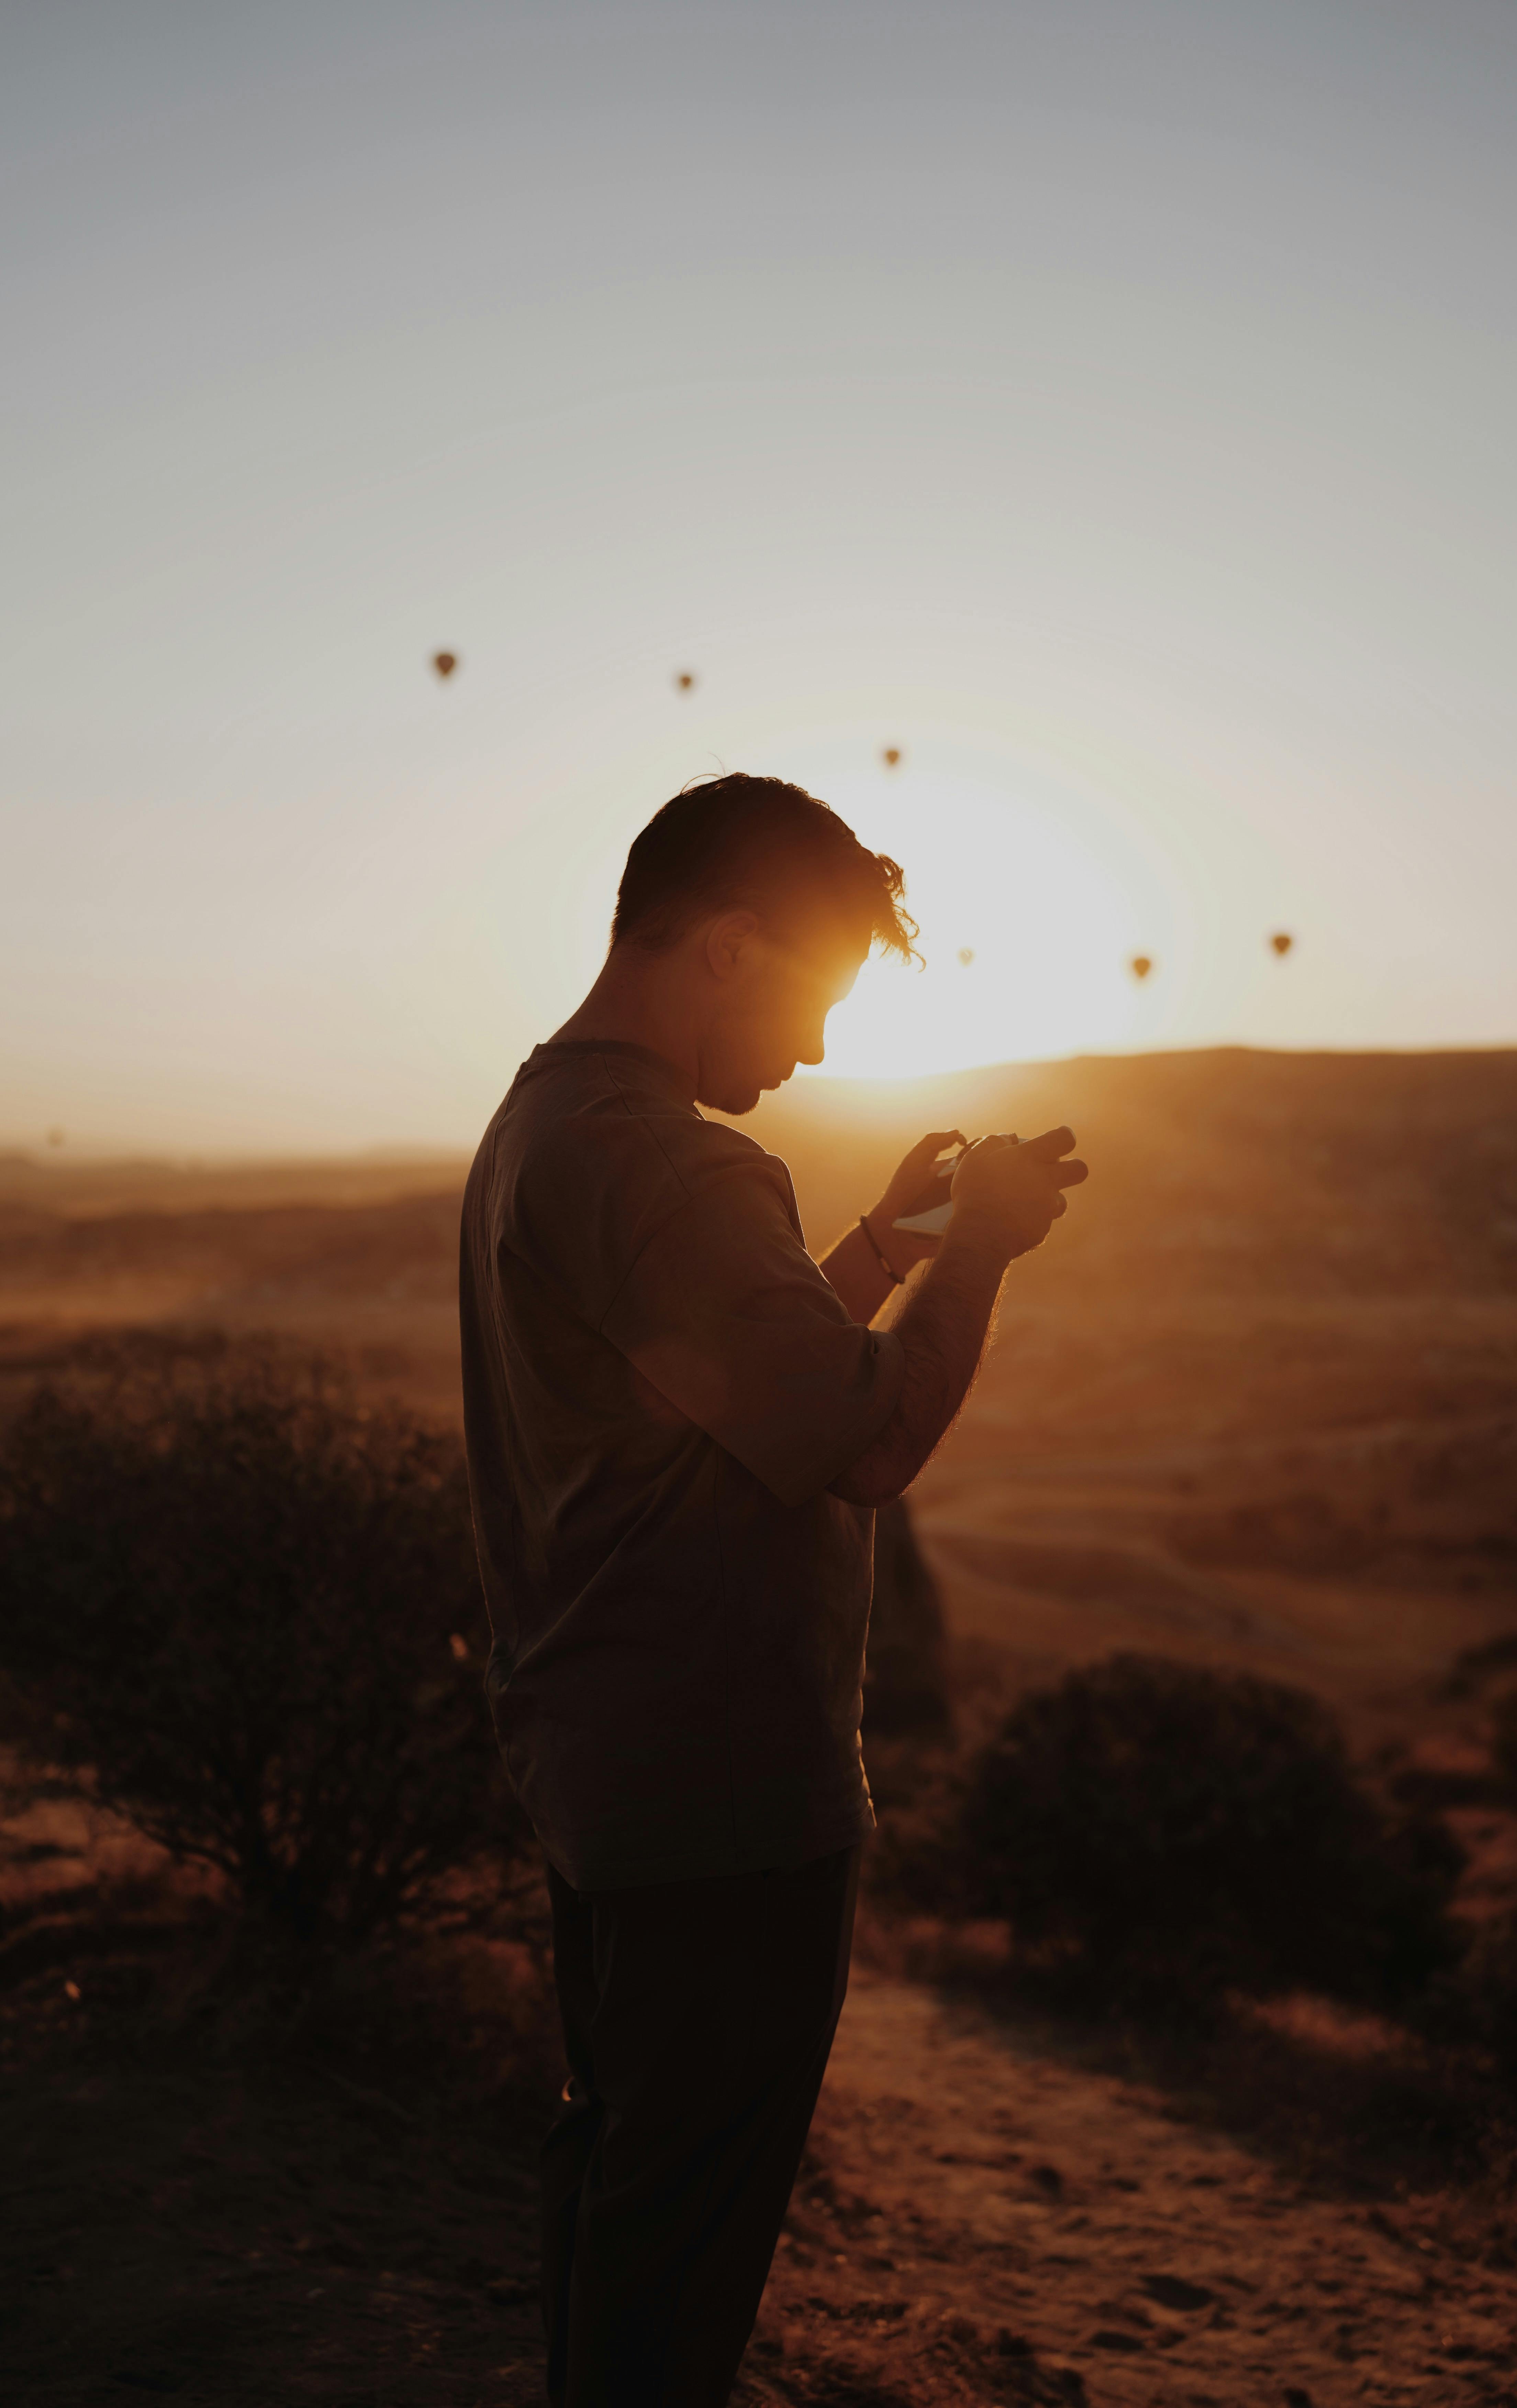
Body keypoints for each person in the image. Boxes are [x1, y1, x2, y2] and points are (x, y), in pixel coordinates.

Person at [458, 772, 1087, 2406]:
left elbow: (717, 1390)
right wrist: (984, 1253)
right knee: (685, 2243)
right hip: (725, 1783)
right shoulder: (672, 1166)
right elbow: (863, 1439)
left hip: (607, 1760)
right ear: (732, 947)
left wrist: (883, 1243)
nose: (810, 1053)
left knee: (623, 2175)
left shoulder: (546, 1122)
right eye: (812, 1001)